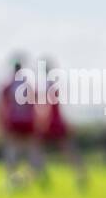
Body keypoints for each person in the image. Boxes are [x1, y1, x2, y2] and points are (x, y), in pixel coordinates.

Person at [36, 58, 87, 190]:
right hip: (56, 122)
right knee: (67, 150)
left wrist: (42, 121)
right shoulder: (53, 84)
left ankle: (42, 176)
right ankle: (80, 175)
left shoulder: (46, 85)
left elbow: (45, 106)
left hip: (50, 122)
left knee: (38, 150)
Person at [0, 57, 40, 188]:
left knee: (12, 149)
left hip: (14, 119)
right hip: (27, 120)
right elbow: (35, 102)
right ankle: (28, 178)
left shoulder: (9, 84)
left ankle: (11, 177)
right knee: (30, 150)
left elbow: (3, 104)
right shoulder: (28, 84)